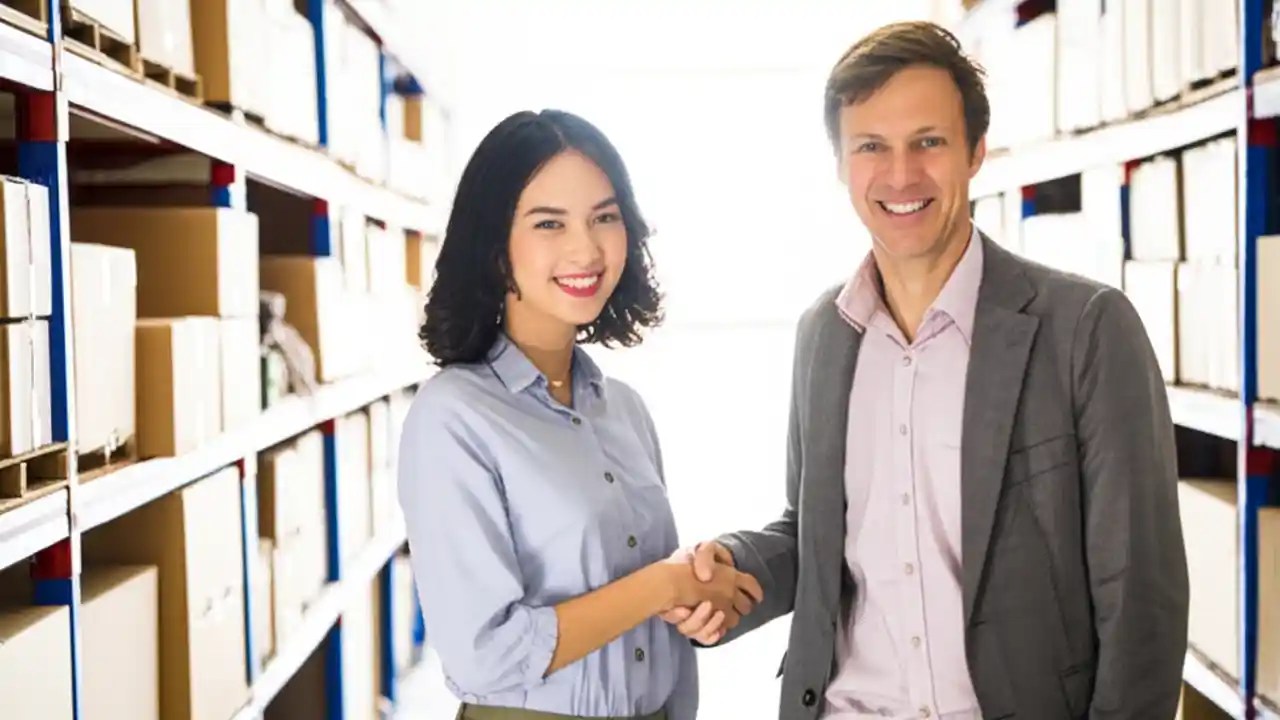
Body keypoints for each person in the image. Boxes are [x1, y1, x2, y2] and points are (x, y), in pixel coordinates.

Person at [666, 21, 1190, 720]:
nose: (901, 174)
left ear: (976, 151)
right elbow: (815, 534)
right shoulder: (825, 335)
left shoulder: (1087, 329)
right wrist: (731, 570)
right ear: (840, 164)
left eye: (929, 142)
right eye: (872, 147)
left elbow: (1142, 600)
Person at [396, 109, 763, 720]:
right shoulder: (454, 419)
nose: (585, 248)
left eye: (604, 217)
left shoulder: (623, 409)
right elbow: (482, 658)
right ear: (494, 246)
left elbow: (654, 632)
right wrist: (663, 585)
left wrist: (693, 597)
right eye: (548, 222)